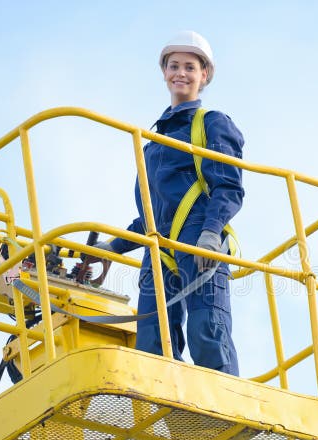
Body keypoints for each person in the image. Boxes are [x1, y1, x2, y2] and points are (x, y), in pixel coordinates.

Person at [94, 30, 244, 376]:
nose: (181, 73)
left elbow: (228, 186)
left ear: (204, 75)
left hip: (198, 237)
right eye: (174, 65)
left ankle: (221, 408)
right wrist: (112, 247)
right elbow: (149, 214)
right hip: (157, 247)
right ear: (164, 72)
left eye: (190, 67)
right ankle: (170, 417)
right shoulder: (151, 144)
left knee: (207, 329)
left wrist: (210, 233)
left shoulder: (212, 124)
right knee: (151, 340)